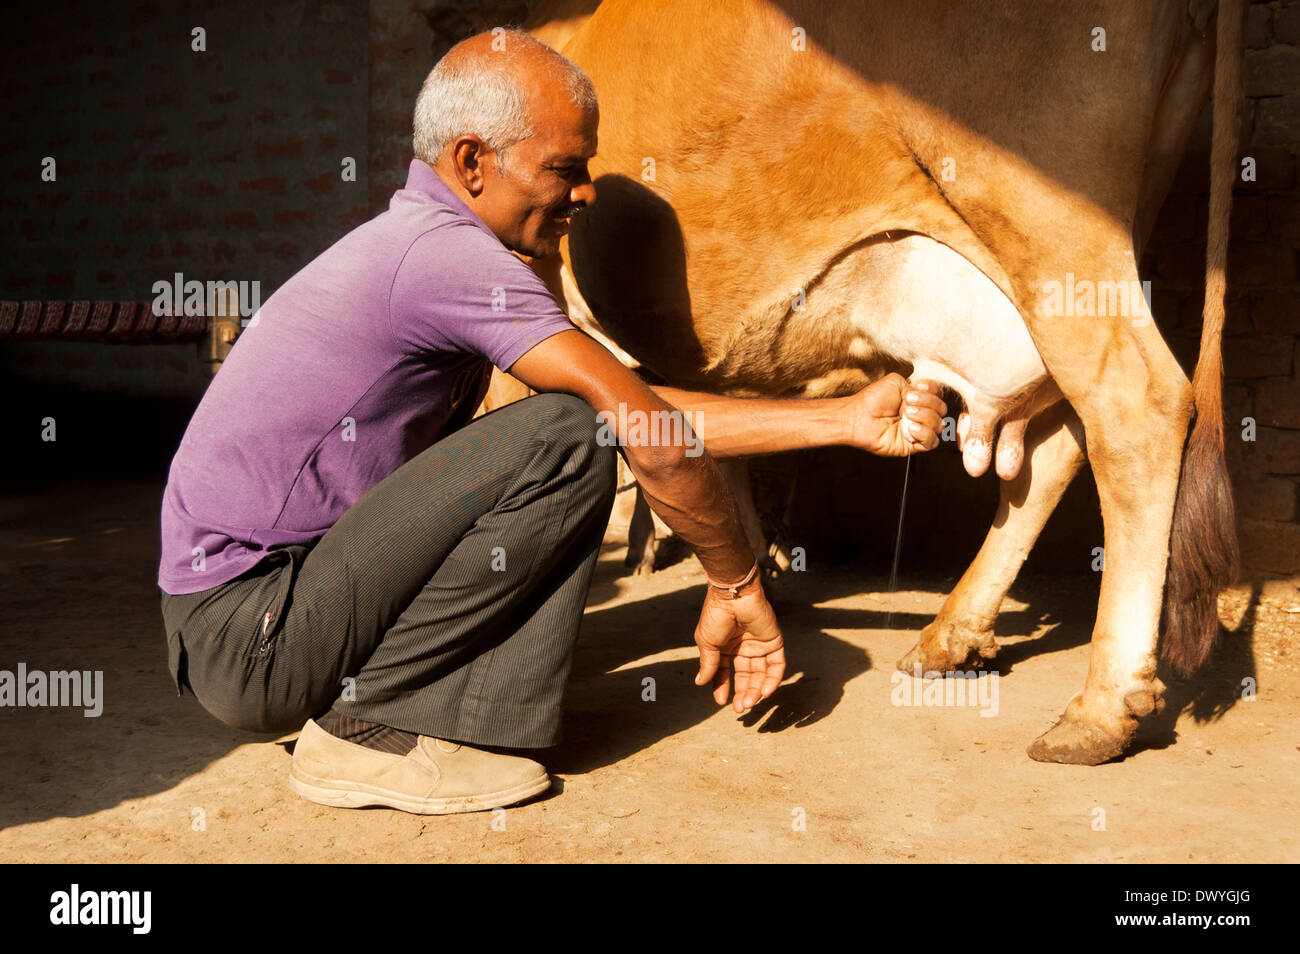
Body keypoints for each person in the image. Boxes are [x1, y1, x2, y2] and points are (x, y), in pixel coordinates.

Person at [156, 28, 947, 815]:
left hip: (246, 626)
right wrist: (735, 579)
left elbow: (638, 417)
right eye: (565, 168)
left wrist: (842, 418)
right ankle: (376, 733)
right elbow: (623, 428)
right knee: (565, 437)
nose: (587, 193)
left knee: (571, 425)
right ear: (472, 163)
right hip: (252, 635)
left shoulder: (422, 244)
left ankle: (377, 703)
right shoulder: (447, 260)